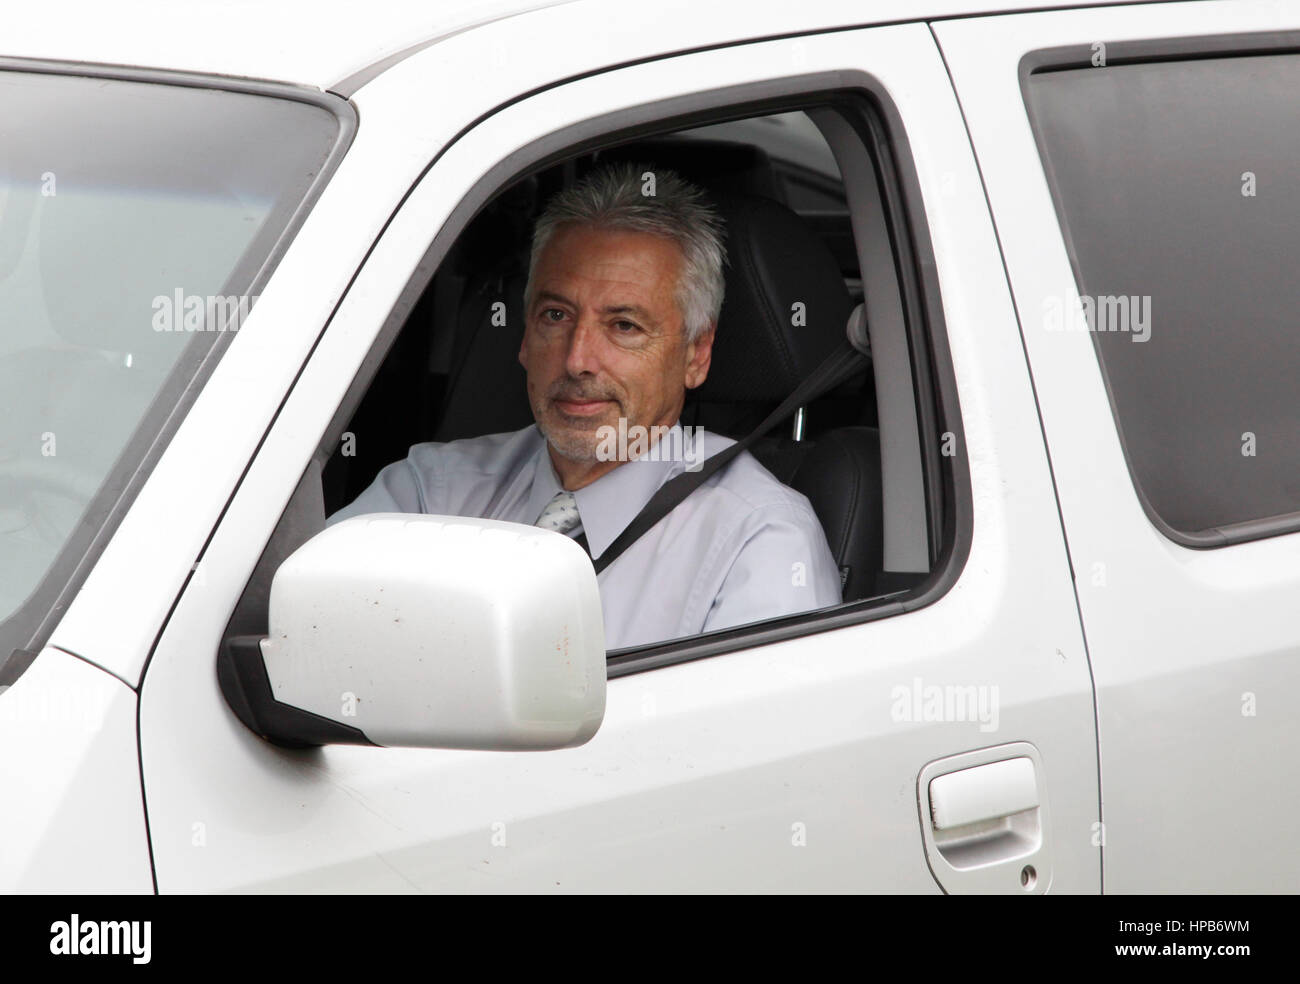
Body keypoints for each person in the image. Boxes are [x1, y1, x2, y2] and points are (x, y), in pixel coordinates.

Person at [330, 162, 841, 649]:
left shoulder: (759, 539)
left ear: (696, 354)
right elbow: (302, 636)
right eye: (556, 315)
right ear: (526, 337)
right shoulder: (432, 491)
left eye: (624, 326)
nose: (577, 360)